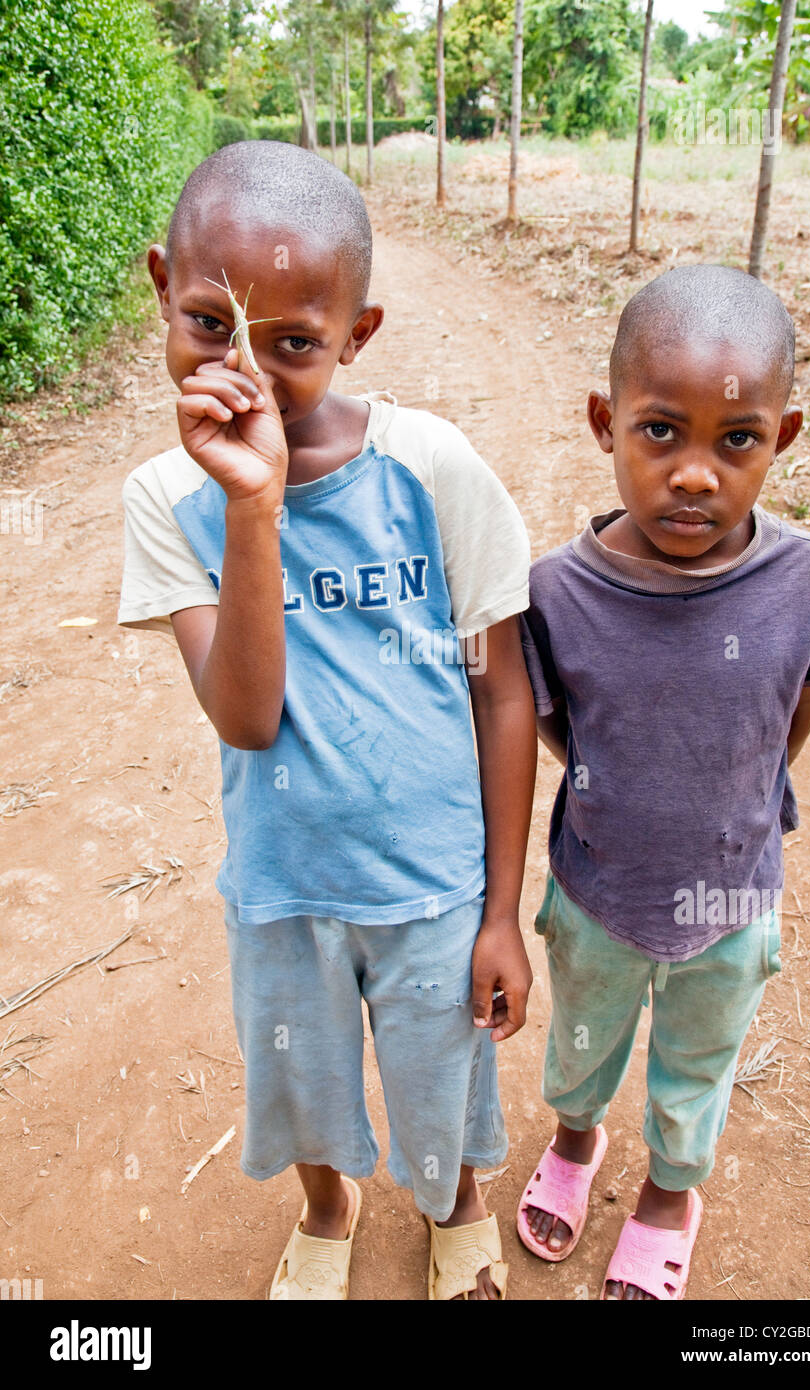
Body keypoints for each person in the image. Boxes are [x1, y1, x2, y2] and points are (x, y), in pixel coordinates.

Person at [117, 140, 537, 1300]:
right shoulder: (167, 501)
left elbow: (501, 688)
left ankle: (453, 1200)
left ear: (358, 333)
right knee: (301, 1078)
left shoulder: (430, 466)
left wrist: (499, 910)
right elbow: (247, 720)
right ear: (162, 286)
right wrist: (251, 505)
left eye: (293, 342)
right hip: (284, 878)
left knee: (435, 1073)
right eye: (210, 322)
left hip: (430, 884)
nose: (247, 370)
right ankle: (325, 1201)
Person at [517, 264, 810, 1300]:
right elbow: (548, 722)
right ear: (603, 420)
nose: (695, 473)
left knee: (697, 1058)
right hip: (595, 889)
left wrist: (750, 780)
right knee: (583, 1033)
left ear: (784, 438)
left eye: (736, 439)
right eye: (659, 431)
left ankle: (670, 1190)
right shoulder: (554, 591)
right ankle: (573, 1140)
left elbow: (798, 692)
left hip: (732, 899)